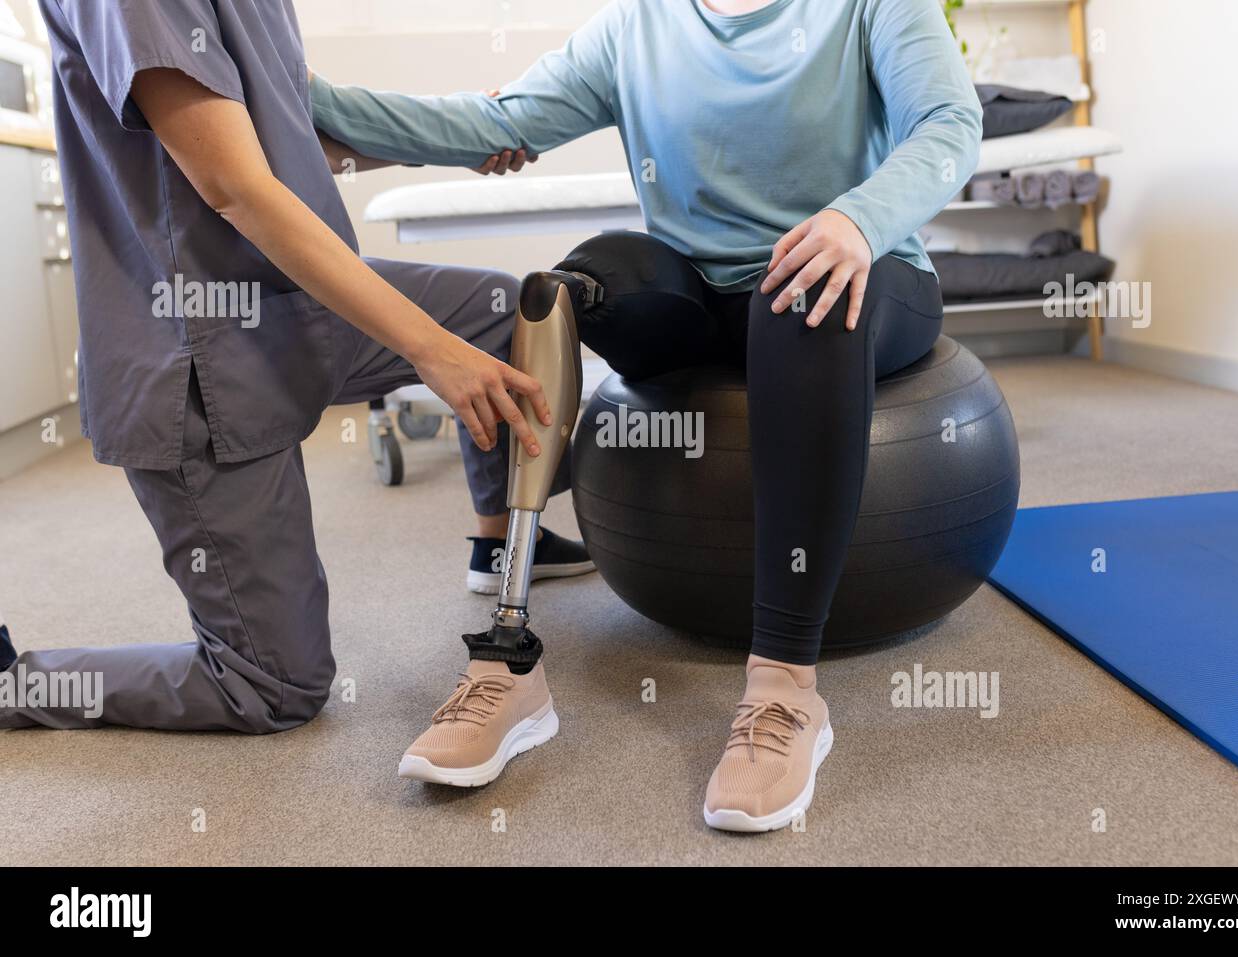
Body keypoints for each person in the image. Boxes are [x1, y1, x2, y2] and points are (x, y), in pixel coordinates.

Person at [309, 0, 982, 829]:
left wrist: (858, 219)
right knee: (560, 292)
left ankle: (784, 693)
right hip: (706, 290)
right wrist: (303, 96)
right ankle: (510, 655)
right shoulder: (636, 26)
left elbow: (950, 120)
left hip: (863, 276)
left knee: (797, 292)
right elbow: (496, 122)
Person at [0, 0, 595, 734]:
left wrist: (457, 141)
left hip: (289, 301)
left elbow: (291, 129)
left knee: (510, 311)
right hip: (195, 349)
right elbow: (233, 185)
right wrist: (429, 347)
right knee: (276, 684)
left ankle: (497, 544)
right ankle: (14, 684)